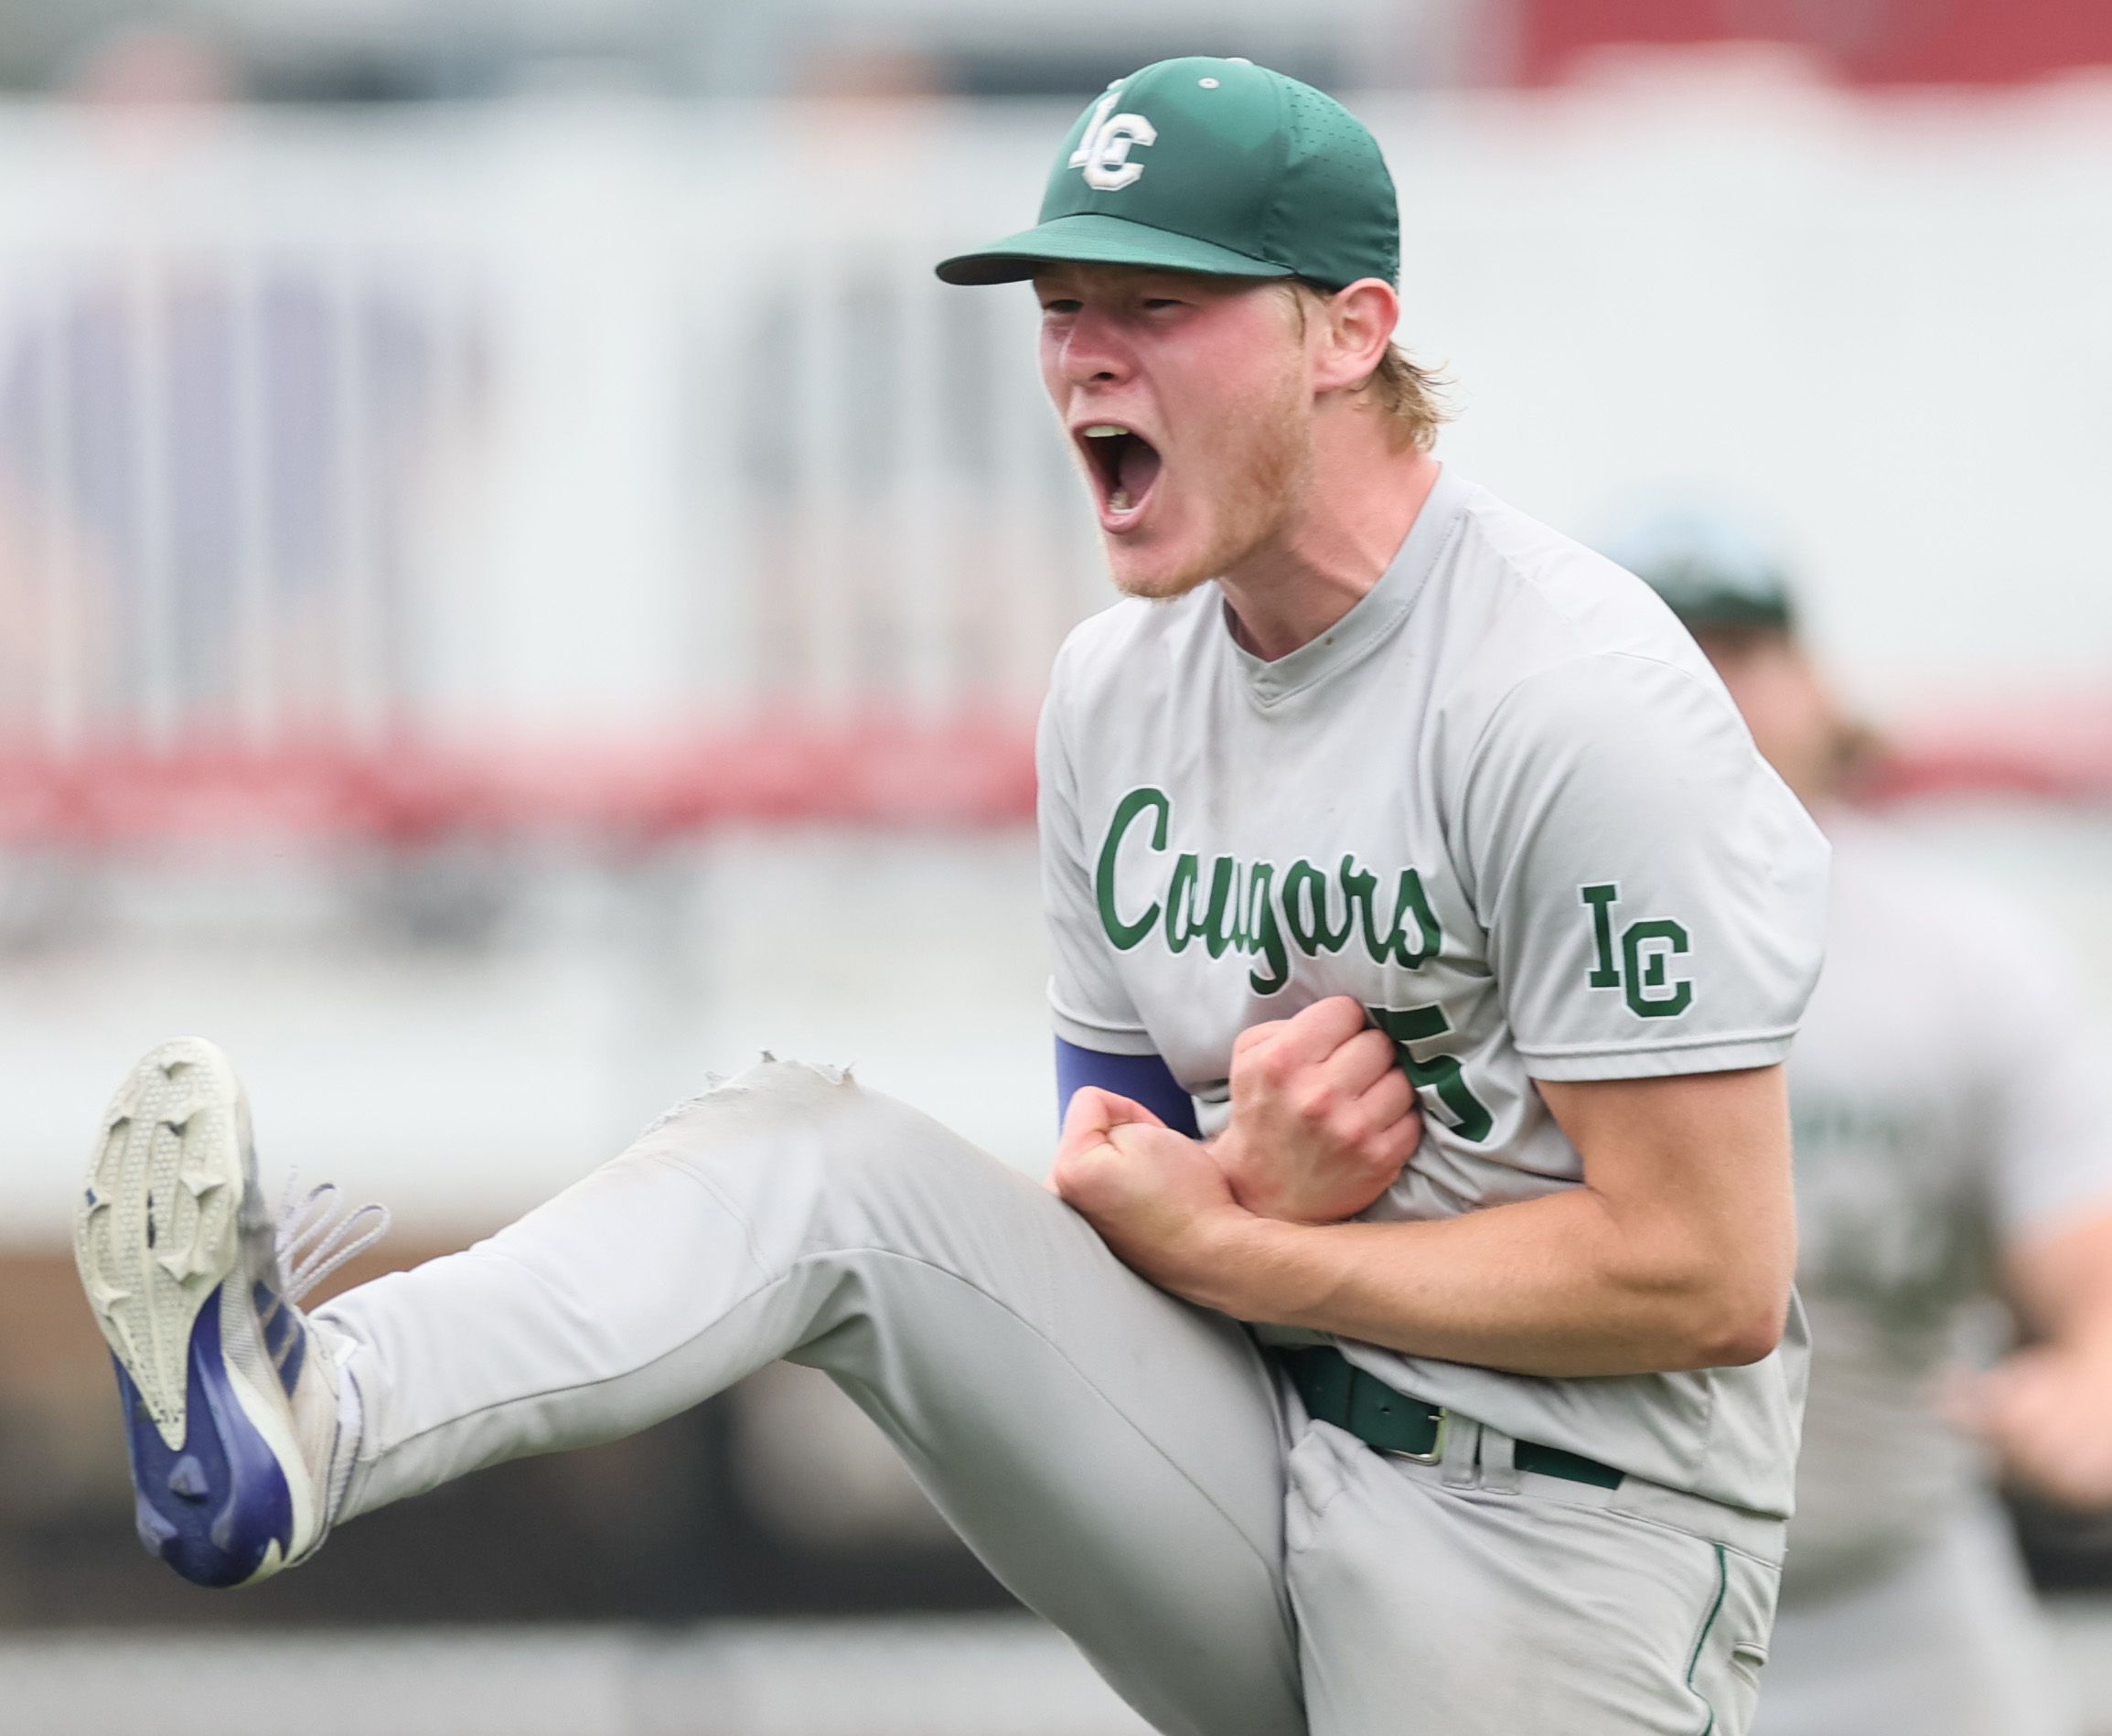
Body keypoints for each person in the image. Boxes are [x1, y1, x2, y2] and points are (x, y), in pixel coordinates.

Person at [74, 59, 1828, 1736]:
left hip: (1556, 1535)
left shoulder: (1563, 690)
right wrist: (1235, 1206)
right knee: (808, 1158)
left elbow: (1702, 1274)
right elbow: (1114, 1191)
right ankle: (313, 1408)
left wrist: (1255, 1240)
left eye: (1159, 304)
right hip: (1259, 1449)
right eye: (1062, 304)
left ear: (1348, 330)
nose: (1085, 359)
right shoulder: (1112, 690)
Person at [1619, 513, 2112, 1736]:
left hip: (1893, 1585)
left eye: (1738, 649)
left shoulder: (1966, 959)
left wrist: (2095, 1374)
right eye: (1663, 654)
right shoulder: (1481, 954)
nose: (1708, 690)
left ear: (1819, 689)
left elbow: (2080, 1247)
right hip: (1589, 1587)